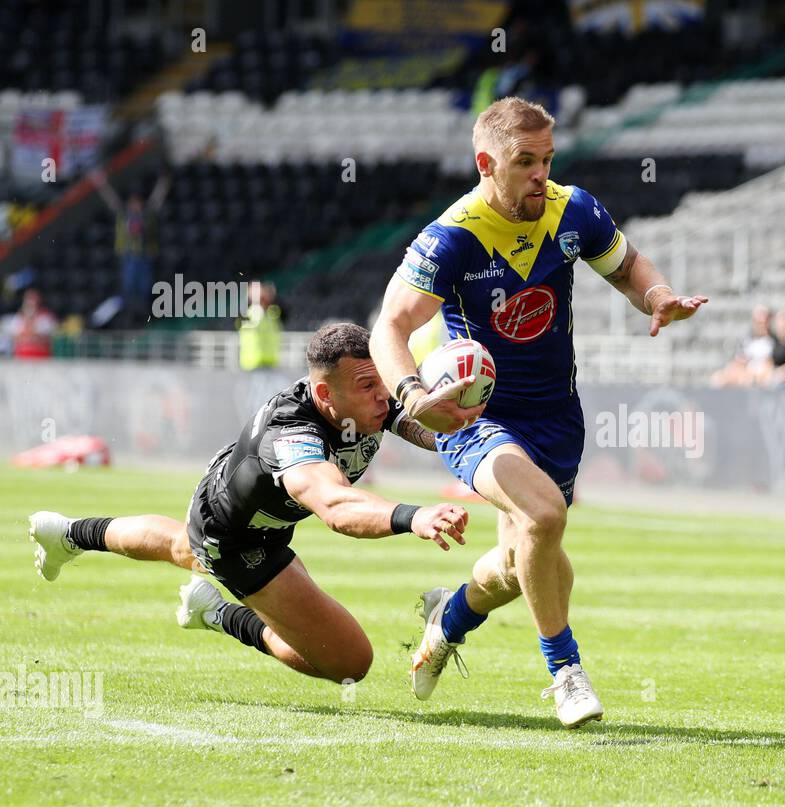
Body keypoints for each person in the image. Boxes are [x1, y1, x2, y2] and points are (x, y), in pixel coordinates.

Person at [369, 96, 707, 728]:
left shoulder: (571, 210)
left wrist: (657, 296)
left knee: (522, 563)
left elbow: (628, 265)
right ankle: (566, 672)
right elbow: (389, 325)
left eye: (547, 159)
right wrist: (414, 398)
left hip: (558, 418)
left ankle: (449, 618)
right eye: (525, 162)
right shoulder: (452, 238)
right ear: (486, 161)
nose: (540, 175)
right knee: (545, 515)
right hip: (475, 418)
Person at [27, 323, 476, 684]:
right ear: (325, 396)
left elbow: (427, 427)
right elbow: (335, 506)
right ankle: (219, 614)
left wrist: (466, 422)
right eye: (367, 387)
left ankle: (67, 533)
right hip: (236, 539)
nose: (384, 396)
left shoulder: (361, 394)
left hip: (248, 502)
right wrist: (414, 516)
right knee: (349, 663)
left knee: (177, 546)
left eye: (383, 383)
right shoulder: (292, 435)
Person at [93, 169, 170, 325]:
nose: (136, 205)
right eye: (133, 203)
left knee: (144, 288)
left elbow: (157, 198)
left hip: (144, 256)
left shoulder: (147, 214)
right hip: (128, 256)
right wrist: (102, 184)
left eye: (138, 203)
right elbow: (111, 199)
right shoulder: (124, 214)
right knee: (128, 288)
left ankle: (144, 314)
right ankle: (129, 314)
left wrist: (163, 183)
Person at [711, 304, 774, 387]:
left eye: (764, 322)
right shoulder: (748, 340)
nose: (761, 326)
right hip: (746, 374)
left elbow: (768, 366)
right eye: (758, 322)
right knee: (718, 378)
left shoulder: (773, 342)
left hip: (760, 378)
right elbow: (740, 360)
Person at [1, 288, 59, 359]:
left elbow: (46, 337)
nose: (31, 303)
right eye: (29, 300)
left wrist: (31, 327)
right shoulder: (18, 318)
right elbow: (14, 337)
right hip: (21, 356)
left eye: (33, 300)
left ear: (39, 301)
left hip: (41, 357)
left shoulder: (46, 318)